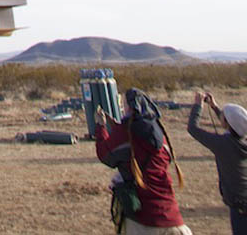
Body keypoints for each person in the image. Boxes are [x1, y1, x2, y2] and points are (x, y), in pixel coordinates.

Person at [95, 88, 192, 234]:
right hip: (173, 218)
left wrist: (100, 127)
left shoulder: (124, 133)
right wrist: (116, 127)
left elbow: (105, 155)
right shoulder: (160, 134)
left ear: (129, 107)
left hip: (142, 222)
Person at [187, 91, 247, 233]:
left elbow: (193, 129)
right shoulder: (242, 140)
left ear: (226, 123)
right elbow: (233, 124)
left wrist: (198, 106)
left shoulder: (224, 144)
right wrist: (214, 107)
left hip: (240, 207)